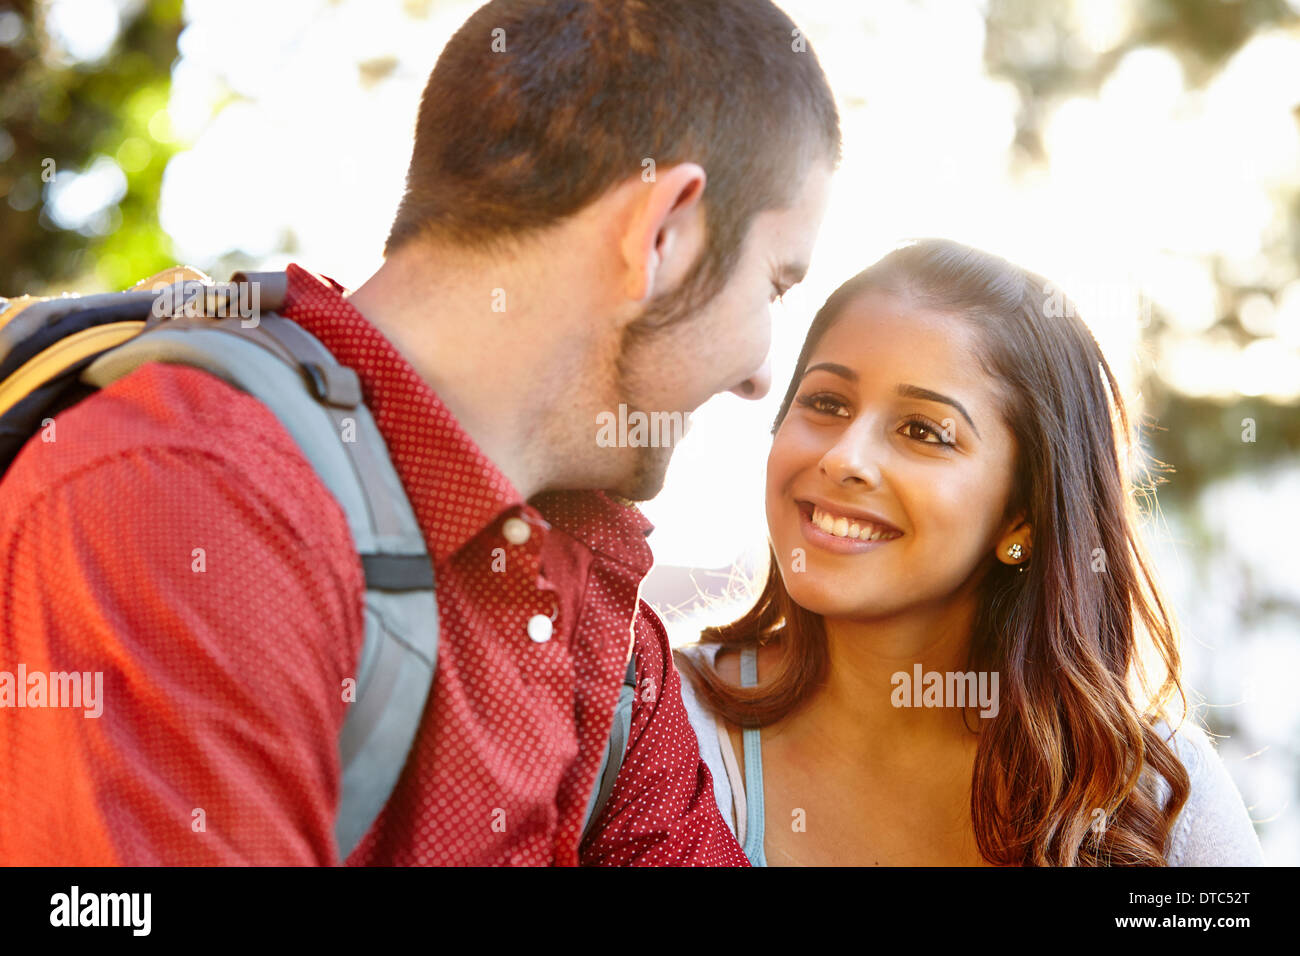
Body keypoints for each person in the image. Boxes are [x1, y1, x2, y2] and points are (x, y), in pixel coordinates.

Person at [0, 0, 840, 865]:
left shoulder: (603, 618)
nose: (759, 377)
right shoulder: (187, 504)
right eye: (773, 287)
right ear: (663, 231)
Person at [676, 239, 1265, 866]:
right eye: (826, 403)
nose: (843, 457)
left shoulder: (1155, 798)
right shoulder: (666, 728)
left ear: (1022, 516)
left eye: (924, 432)